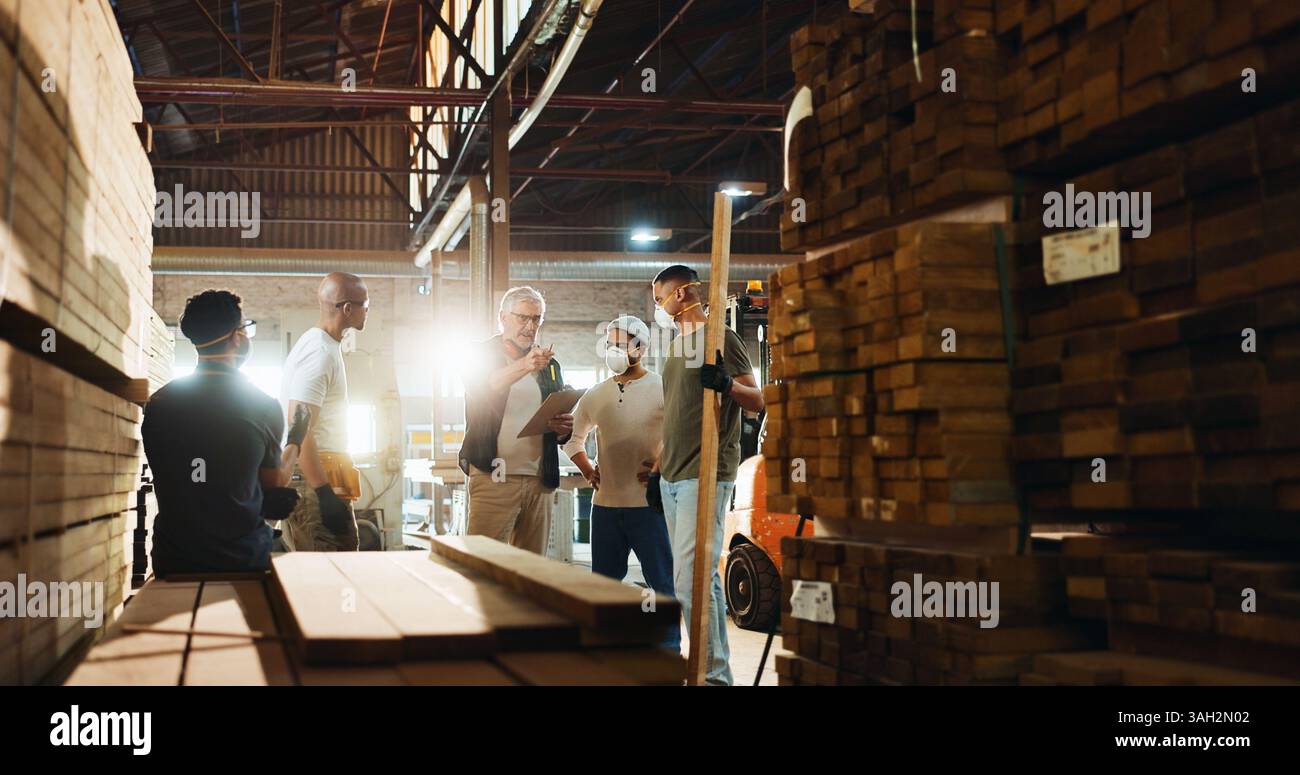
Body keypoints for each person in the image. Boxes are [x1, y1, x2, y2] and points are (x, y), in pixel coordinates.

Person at [651, 264, 766, 685]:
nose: (657, 305)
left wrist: (727, 386)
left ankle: (714, 676)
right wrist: (658, 471)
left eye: (658, 296)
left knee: (693, 580)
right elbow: (676, 418)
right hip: (673, 478)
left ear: (680, 295)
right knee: (694, 581)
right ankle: (707, 671)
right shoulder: (674, 350)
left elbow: (757, 401)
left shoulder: (722, 339)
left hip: (706, 471)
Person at [142, 290, 309, 575]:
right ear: (237, 337)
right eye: (246, 328)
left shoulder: (159, 403)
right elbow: (275, 482)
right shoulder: (262, 406)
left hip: (174, 559)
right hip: (240, 560)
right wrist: (295, 439)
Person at [562, 316, 678, 650]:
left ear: (641, 347)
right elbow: (573, 437)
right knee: (604, 585)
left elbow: (679, 433)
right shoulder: (597, 394)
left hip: (649, 507)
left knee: (661, 584)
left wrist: (660, 465)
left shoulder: (662, 387)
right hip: (607, 509)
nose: (613, 350)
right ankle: (604, 649)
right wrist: (587, 468)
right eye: (609, 344)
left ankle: (669, 650)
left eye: (620, 343)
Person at [459, 286, 574, 554]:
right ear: (503, 317)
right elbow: (483, 388)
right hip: (493, 475)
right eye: (522, 317)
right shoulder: (477, 354)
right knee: (483, 562)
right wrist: (525, 366)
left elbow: (554, 413)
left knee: (531, 569)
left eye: (536, 319)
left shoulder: (550, 365)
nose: (529, 326)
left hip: (539, 479)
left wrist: (563, 428)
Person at [279, 272, 368, 552]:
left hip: (323, 477)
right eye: (365, 303)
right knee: (331, 570)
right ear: (347, 309)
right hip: (314, 483)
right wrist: (322, 492)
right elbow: (299, 426)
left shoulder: (323, 345)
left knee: (323, 572)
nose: (367, 310)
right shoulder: (319, 353)